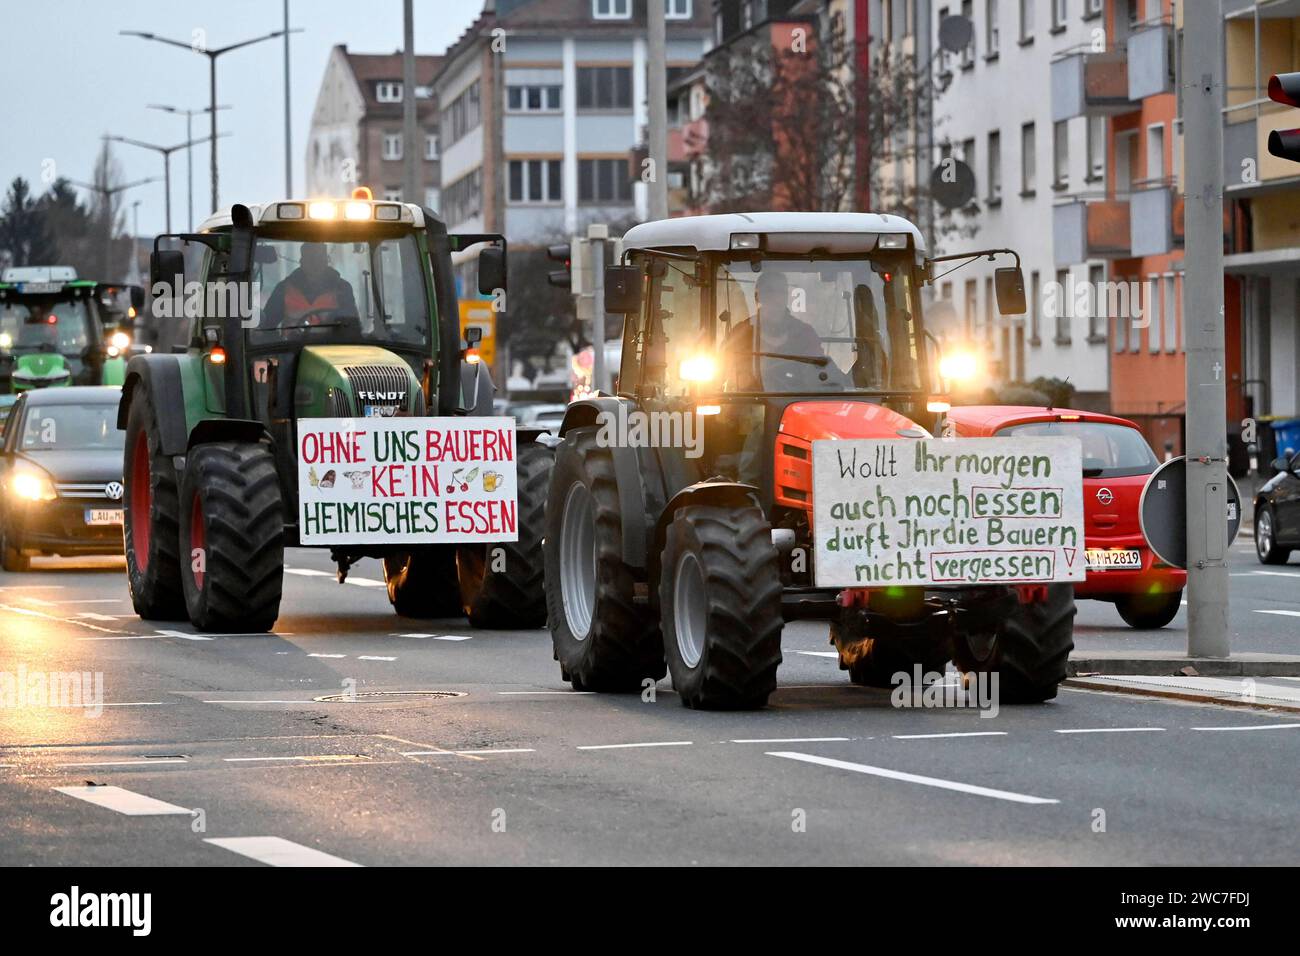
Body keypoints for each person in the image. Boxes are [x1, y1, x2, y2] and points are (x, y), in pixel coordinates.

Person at [722, 269, 826, 390]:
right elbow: (725, 371)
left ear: (786, 296)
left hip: (795, 402)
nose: (775, 297)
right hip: (749, 403)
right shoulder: (740, 334)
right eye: (769, 291)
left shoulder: (805, 334)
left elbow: (818, 374)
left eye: (781, 292)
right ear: (757, 296)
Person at [261, 243, 360, 335]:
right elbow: (266, 326)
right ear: (302, 262)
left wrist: (332, 318)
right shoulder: (283, 289)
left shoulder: (342, 288)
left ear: (327, 261)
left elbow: (352, 324)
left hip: (332, 347)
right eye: (311, 259)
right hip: (292, 348)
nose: (315, 264)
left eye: (320, 259)